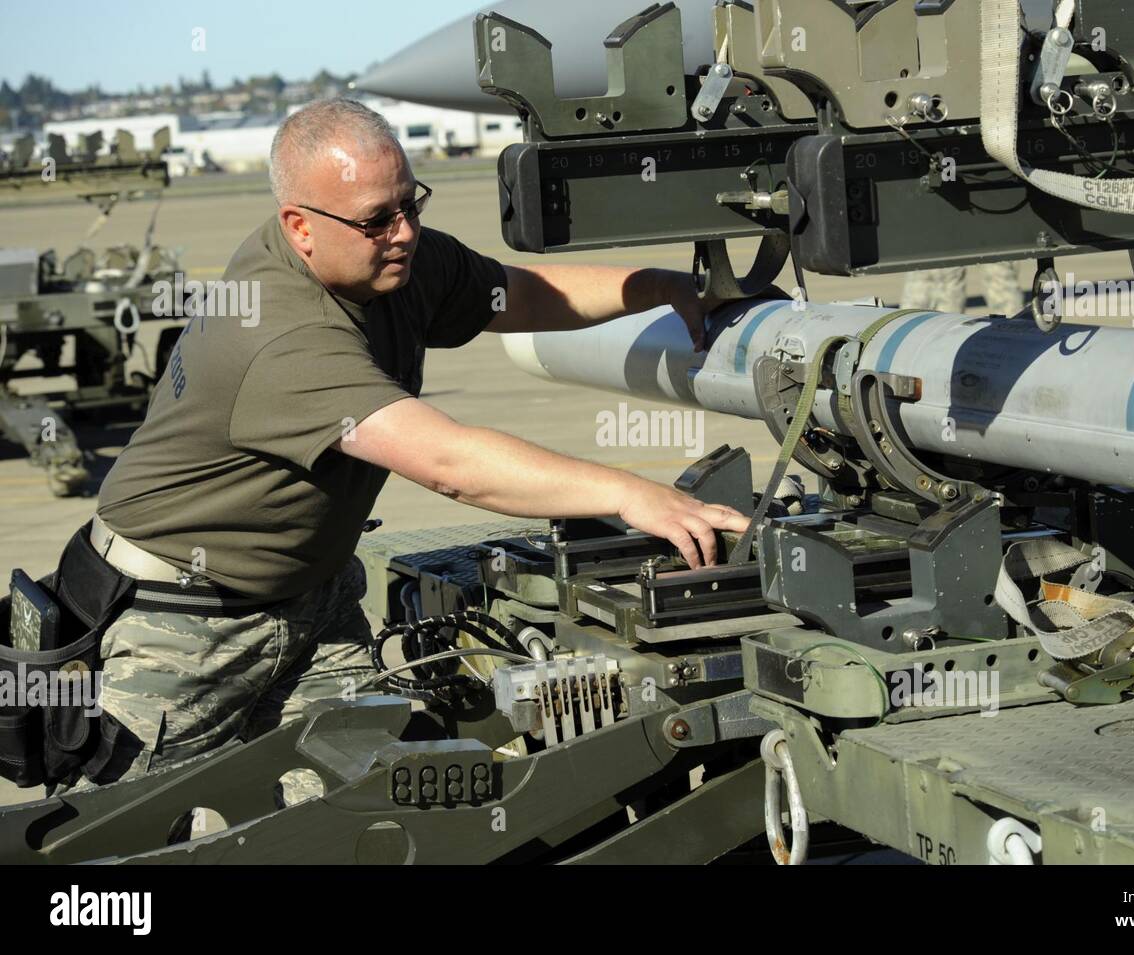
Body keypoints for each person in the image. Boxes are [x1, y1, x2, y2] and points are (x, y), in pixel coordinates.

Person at [52, 98, 748, 795]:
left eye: (410, 202)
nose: (406, 232)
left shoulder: (387, 261)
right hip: (182, 623)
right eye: (377, 219)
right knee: (132, 841)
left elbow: (517, 296)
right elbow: (450, 465)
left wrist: (659, 288)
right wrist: (634, 492)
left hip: (309, 600)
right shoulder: (282, 334)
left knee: (368, 810)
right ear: (300, 227)